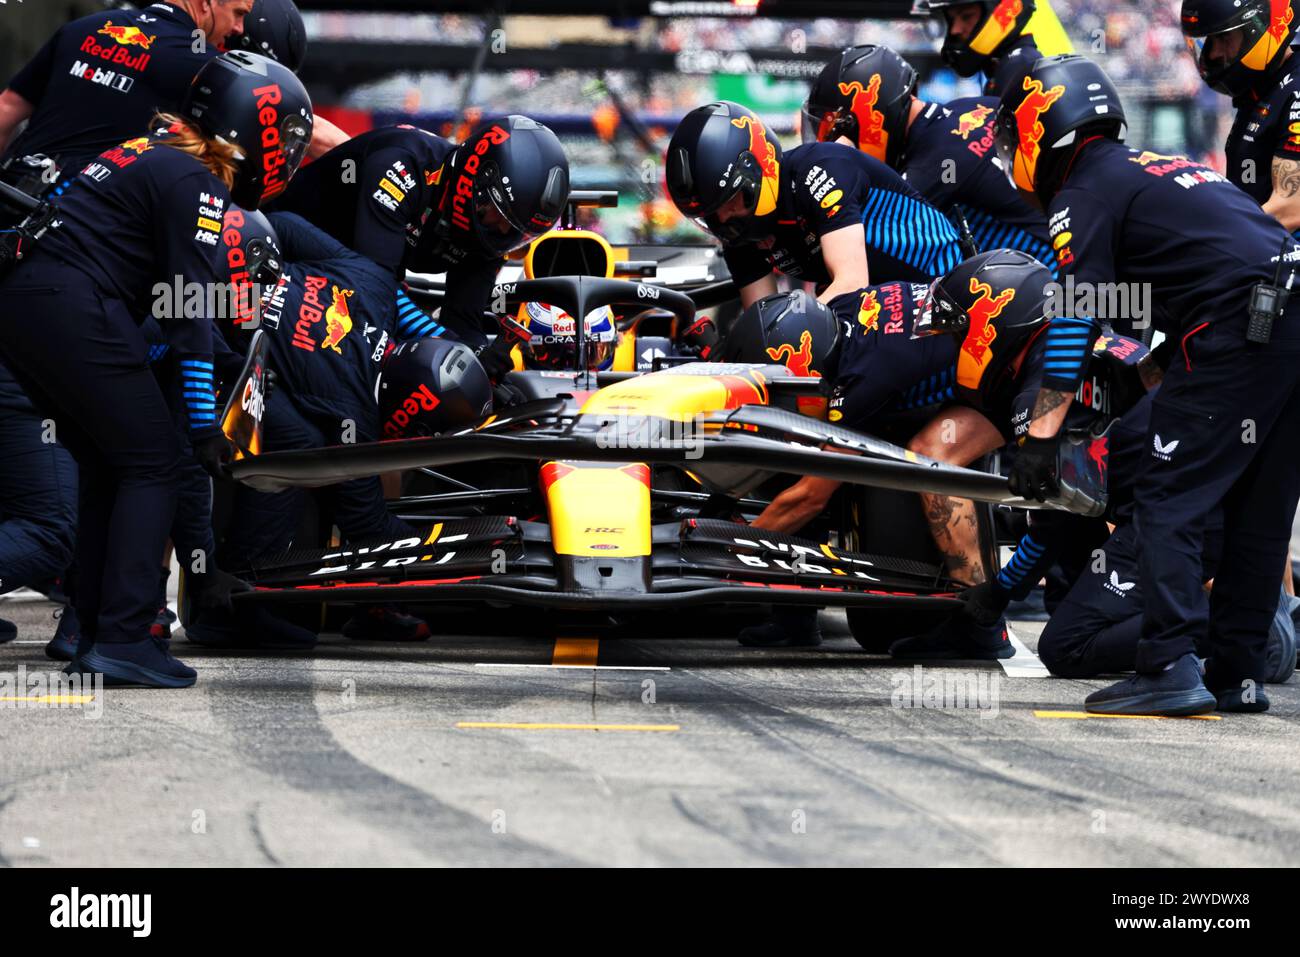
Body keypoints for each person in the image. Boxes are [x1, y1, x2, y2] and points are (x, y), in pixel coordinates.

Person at [995, 54, 1300, 715]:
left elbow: (1075, 310)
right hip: (1286, 315)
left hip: (1238, 319)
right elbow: (1212, 270)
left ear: (1037, 126)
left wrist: (1041, 437)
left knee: (1169, 494)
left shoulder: (1083, 191)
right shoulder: (1158, 166)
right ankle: (1237, 674)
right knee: (1258, 506)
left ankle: (1167, 663)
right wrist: (1149, 375)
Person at [0, 51, 313, 688]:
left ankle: (91, 626)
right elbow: (191, 311)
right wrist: (203, 425)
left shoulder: (139, 150)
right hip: (69, 303)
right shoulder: (197, 183)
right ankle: (125, 637)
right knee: (154, 463)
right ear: (255, 130)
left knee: (108, 463)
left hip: (27, 301)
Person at [209, 208, 446, 642]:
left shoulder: (373, 284)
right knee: (295, 449)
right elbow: (368, 525)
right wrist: (446, 544)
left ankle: (239, 595)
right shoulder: (354, 414)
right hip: (197, 322)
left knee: (297, 434)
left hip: (207, 286)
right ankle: (233, 602)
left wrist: (249, 249)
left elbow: (279, 222)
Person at [713, 282, 962, 647]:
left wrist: (725, 554)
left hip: (980, 396)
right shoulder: (839, 310)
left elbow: (809, 499)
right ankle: (793, 615)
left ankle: (977, 616)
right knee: (800, 449)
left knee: (804, 478)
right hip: (922, 366)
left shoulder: (864, 382)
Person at [270, 117, 571, 348]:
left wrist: (483, 369)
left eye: (517, 233)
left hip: (343, 284)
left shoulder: (490, 238)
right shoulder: (403, 164)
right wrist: (453, 349)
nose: (503, 232)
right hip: (278, 258)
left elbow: (463, 322)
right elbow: (374, 291)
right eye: (501, 216)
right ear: (476, 180)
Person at [0, 0, 343, 193]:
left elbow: (6, 111)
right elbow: (300, 127)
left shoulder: (87, 28)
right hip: (78, 234)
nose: (239, 29)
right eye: (238, 13)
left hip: (13, 204)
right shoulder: (206, 68)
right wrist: (380, 161)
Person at [664, 100, 964, 312]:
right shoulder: (737, 238)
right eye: (711, 215)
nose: (724, 219)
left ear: (757, 171)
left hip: (948, 288)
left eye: (730, 202)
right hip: (887, 309)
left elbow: (851, 283)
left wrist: (785, 330)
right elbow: (762, 317)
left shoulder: (819, 168)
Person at [802, 44, 1057, 276]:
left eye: (835, 132)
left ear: (865, 117)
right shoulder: (970, 106)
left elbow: (862, 267)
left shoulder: (926, 172)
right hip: (1076, 258)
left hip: (1056, 288)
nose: (834, 146)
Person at [1181, 0, 1300, 230]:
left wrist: (1213, 239)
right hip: (1261, 257)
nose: (1213, 54)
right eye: (1209, 42)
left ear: (1260, 26)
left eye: (1224, 39)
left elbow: (1292, 208)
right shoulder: (1261, 90)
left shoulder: (1295, 91)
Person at [923, 0, 1043, 97]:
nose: (955, 30)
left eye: (966, 17)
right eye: (951, 20)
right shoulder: (1004, 65)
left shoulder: (1020, 67)